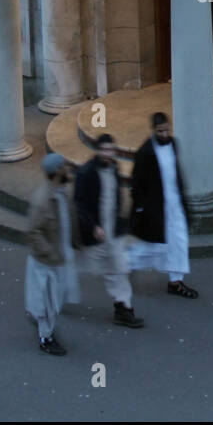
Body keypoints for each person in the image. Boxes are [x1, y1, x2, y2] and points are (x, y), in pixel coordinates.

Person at [73, 133, 144, 328]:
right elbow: (79, 204)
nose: (107, 153)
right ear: (97, 150)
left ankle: (123, 307)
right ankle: (54, 293)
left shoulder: (113, 168)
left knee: (118, 270)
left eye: (110, 150)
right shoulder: (86, 173)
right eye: (104, 150)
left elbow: (116, 198)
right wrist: (93, 226)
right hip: (95, 235)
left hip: (112, 232)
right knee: (81, 268)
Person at [128, 112, 198, 299]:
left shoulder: (173, 144)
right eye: (161, 131)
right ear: (154, 130)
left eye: (167, 130)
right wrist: (142, 207)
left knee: (179, 241)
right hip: (156, 207)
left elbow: (176, 174)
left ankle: (175, 281)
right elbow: (136, 183)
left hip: (174, 204)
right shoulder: (145, 152)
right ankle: (128, 265)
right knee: (150, 245)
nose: (165, 134)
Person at [23, 153, 79, 356]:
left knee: (54, 298)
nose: (68, 168)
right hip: (47, 262)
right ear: (56, 172)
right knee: (48, 302)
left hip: (58, 257)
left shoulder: (60, 192)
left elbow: (67, 219)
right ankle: (45, 338)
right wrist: (51, 254)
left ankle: (39, 318)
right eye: (64, 166)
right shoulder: (43, 200)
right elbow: (33, 232)